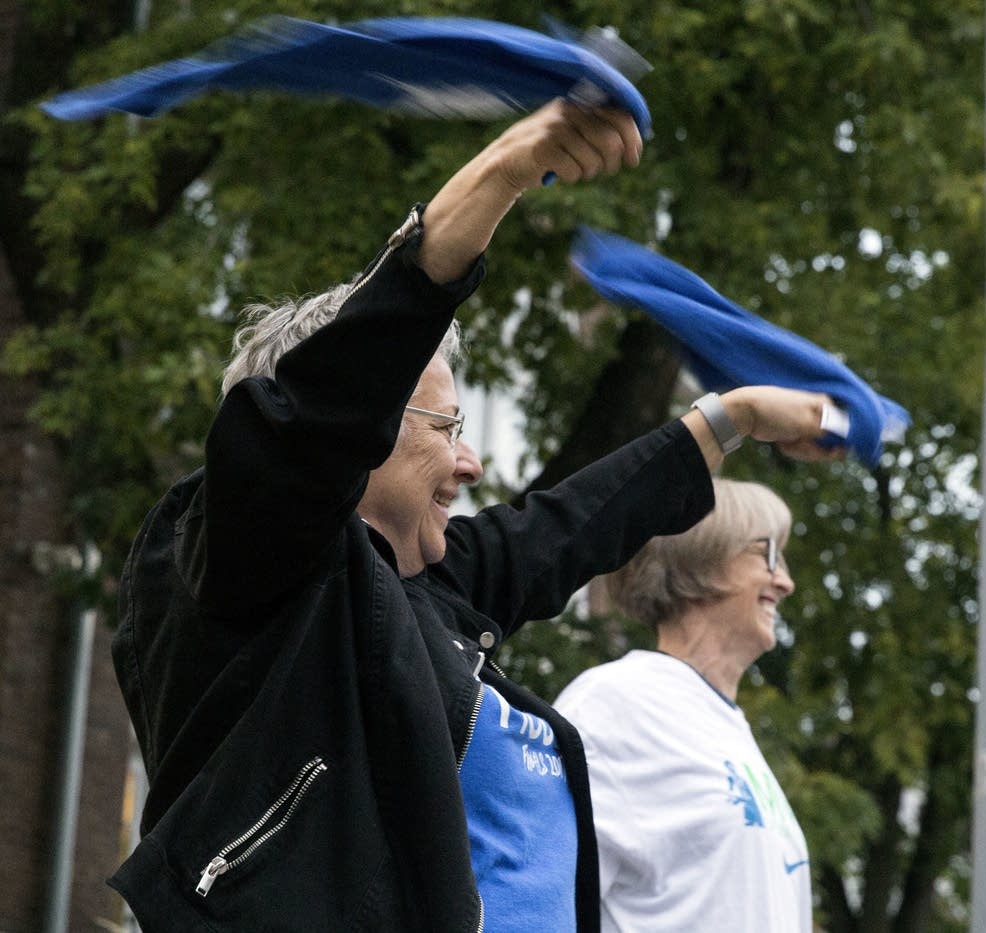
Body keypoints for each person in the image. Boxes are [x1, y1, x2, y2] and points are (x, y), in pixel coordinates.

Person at [109, 100, 841, 933]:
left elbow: (571, 524)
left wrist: (733, 417)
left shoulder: (426, 592)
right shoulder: (255, 569)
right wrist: (502, 175)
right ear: (369, 427)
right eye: (448, 427)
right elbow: (324, 407)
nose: (472, 461)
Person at [555, 478, 812, 932]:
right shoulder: (617, 704)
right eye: (768, 555)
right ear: (702, 560)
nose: (786, 582)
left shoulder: (726, 728)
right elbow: (543, 898)